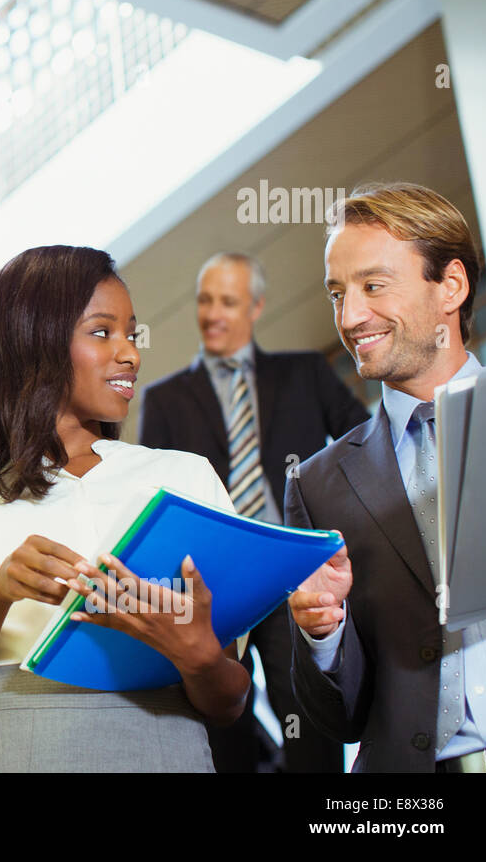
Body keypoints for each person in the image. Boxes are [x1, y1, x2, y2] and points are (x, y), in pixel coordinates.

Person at [0, 245, 250, 772]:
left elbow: (229, 703)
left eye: (131, 334)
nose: (130, 354)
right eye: (102, 332)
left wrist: (199, 656)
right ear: (34, 340)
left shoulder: (186, 478)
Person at [287, 182, 486, 772]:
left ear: (451, 285)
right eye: (337, 294)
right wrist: (323, 633)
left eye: (373, 286)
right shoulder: (317, 485)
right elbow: (340, 717)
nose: (350, 317)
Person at [138, 252, 368, 772]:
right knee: (225, 732)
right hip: (214, 586)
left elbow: (362, 443)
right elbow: (155, 504)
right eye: (205, 300)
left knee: (311, 724)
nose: (212, 313)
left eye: (227, 301)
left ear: (256, 307)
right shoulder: (165, 399)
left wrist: (333, 537)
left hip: (290, 572)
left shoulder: (304, 372)